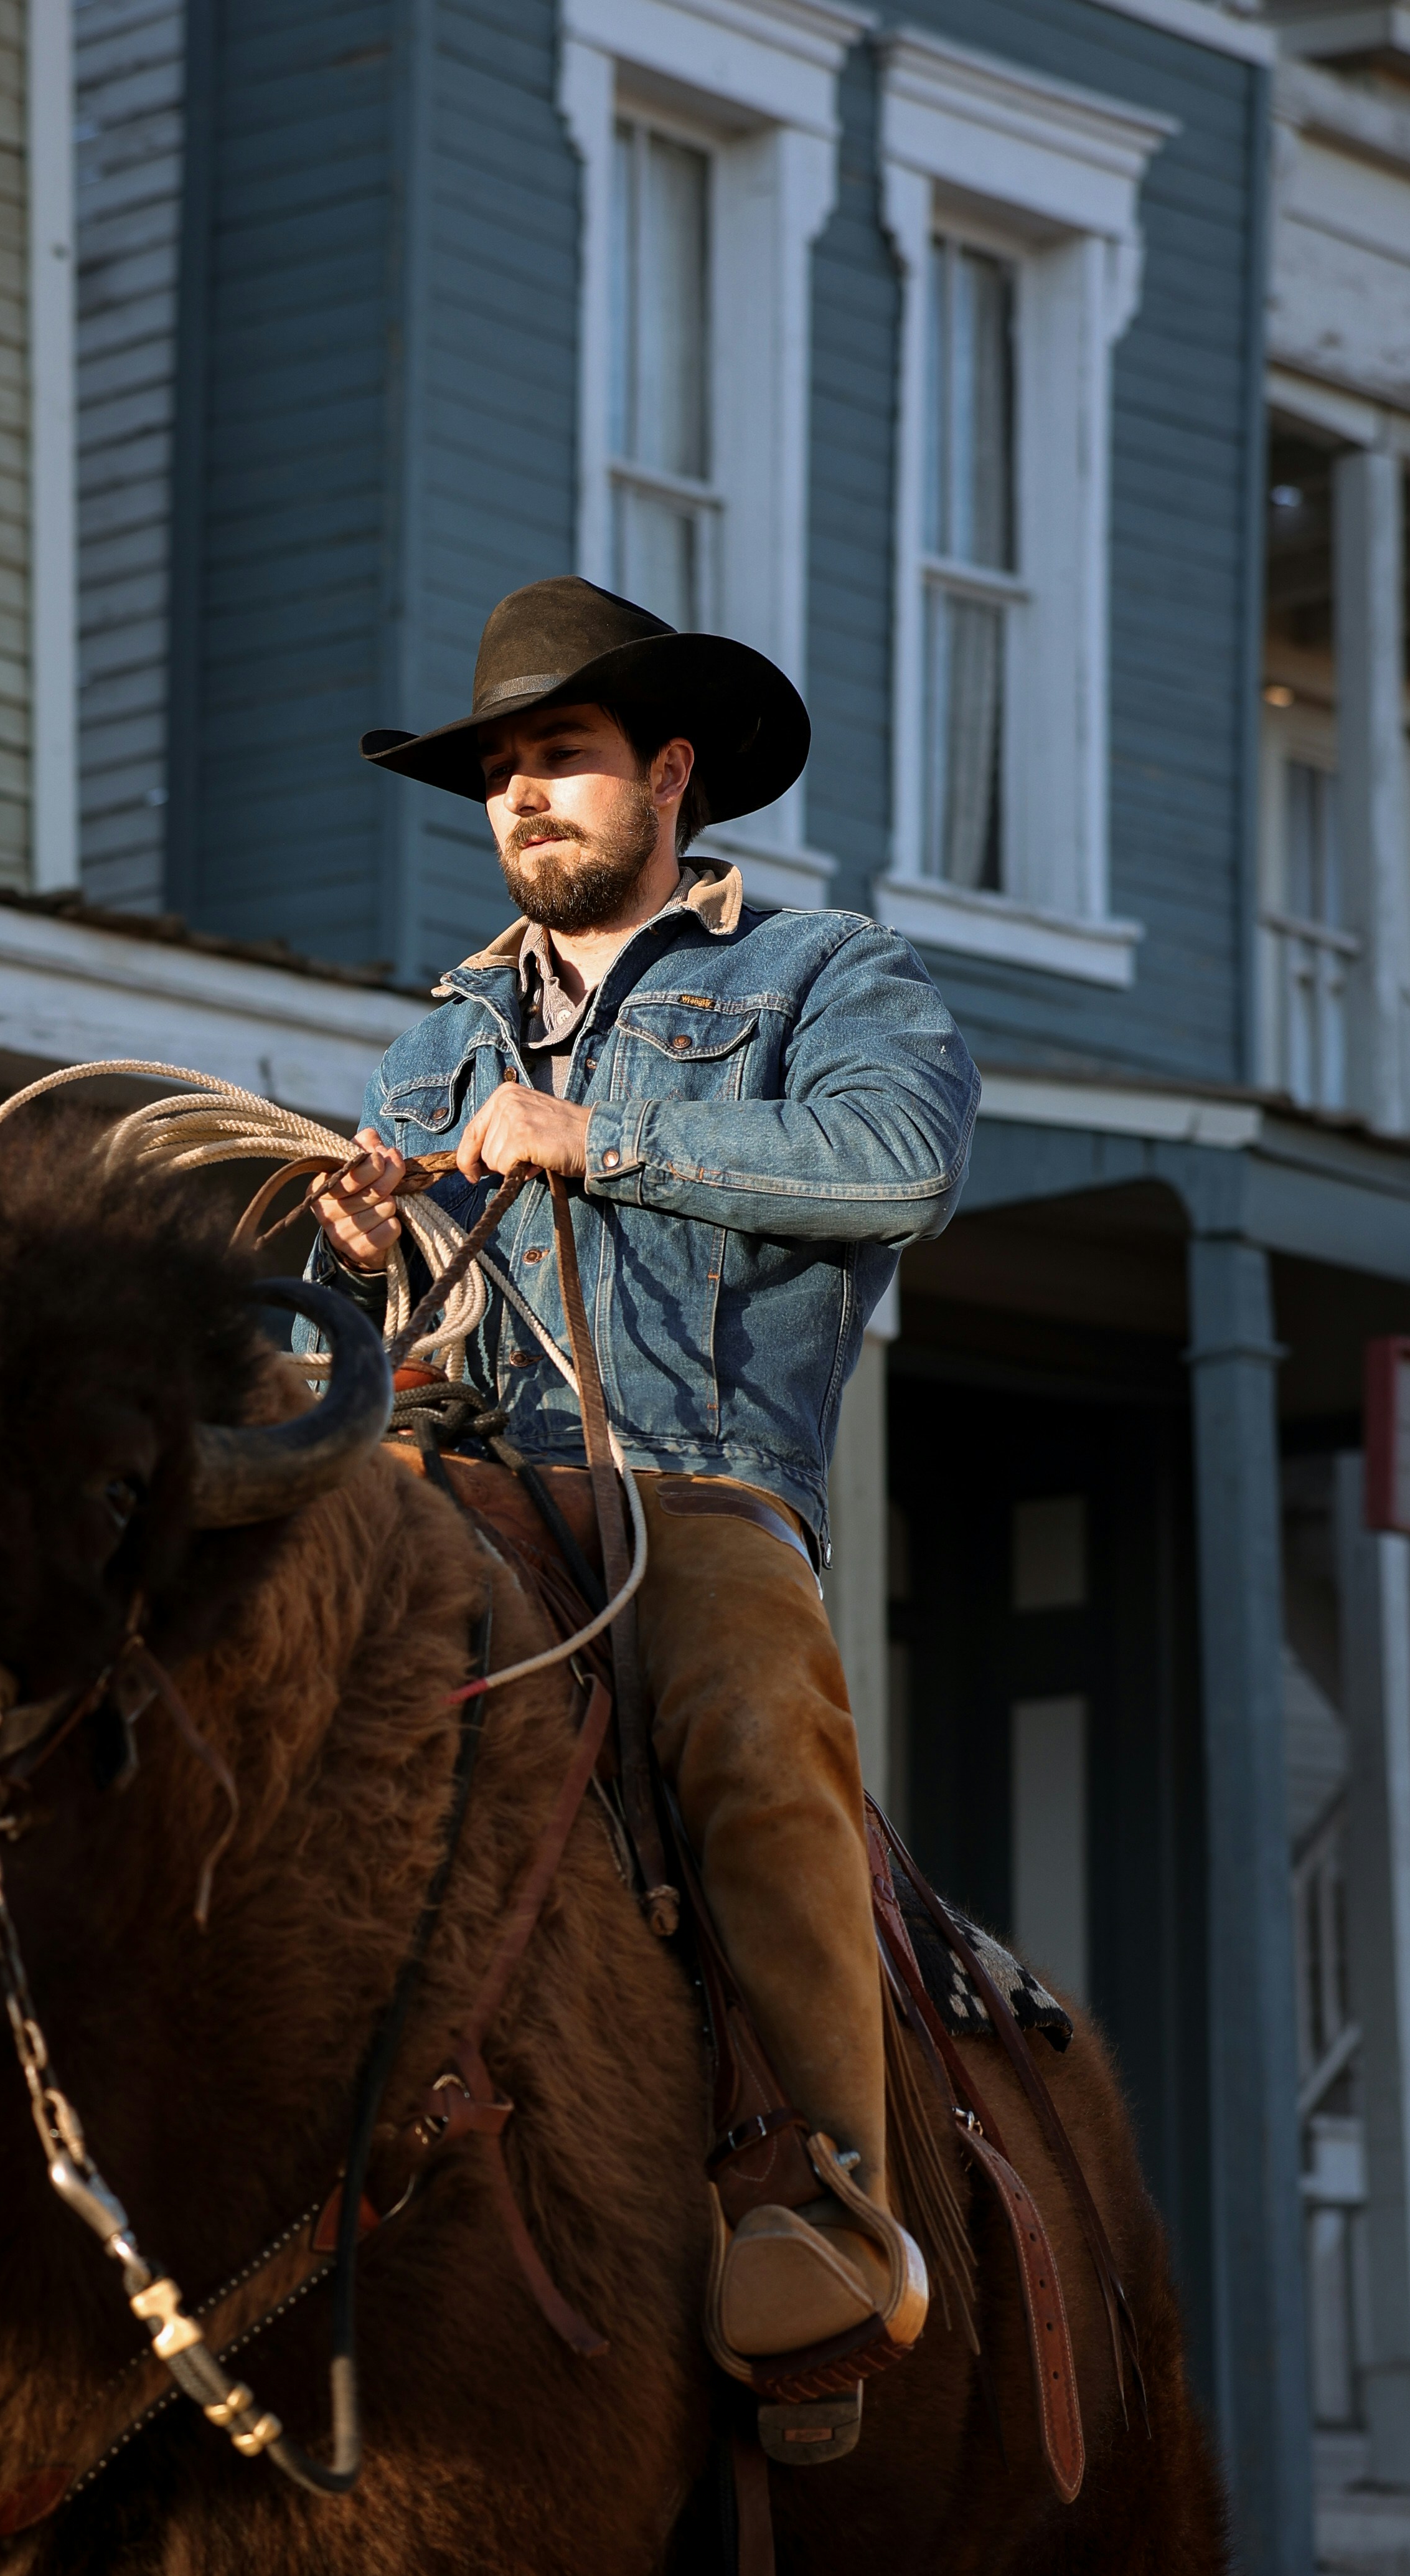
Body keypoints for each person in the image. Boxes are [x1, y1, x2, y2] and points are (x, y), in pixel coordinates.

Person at [312, 575, 979, 2426]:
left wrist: (598, 1135)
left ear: (669, 776)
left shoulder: (823, 974)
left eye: (564, 754)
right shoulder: (433, 1045)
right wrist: (367, 1261)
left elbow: (899, 1166)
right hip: (454, 1489)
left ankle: (826, 2209)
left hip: (695, 1493)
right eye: (499, 772)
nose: (524, 794)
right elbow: (390, 1346)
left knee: (758, 1725)